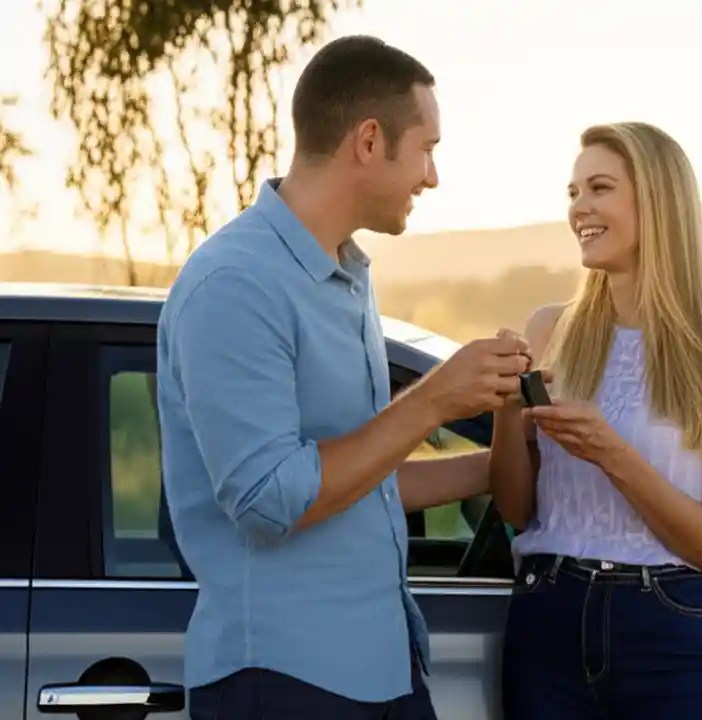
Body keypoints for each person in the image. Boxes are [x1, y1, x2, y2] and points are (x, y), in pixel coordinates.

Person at [156, 35, 530, 719]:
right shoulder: (235, 285)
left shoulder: (345, 276)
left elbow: (359, 478)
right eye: (427, 149)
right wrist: (436, 400)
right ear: (367, 141)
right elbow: (274, 499)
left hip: (384, 669)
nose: (432, 176)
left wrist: (507, 460)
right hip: (282, 683)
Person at [489, 121, 702, 719]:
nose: (579, 209)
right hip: (548, 619)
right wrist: (506, 410)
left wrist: (612, 453)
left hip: (668, 628)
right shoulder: (550, 330)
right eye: (572, 193)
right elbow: (517, 510)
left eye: (598, 189)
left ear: (657, 202)